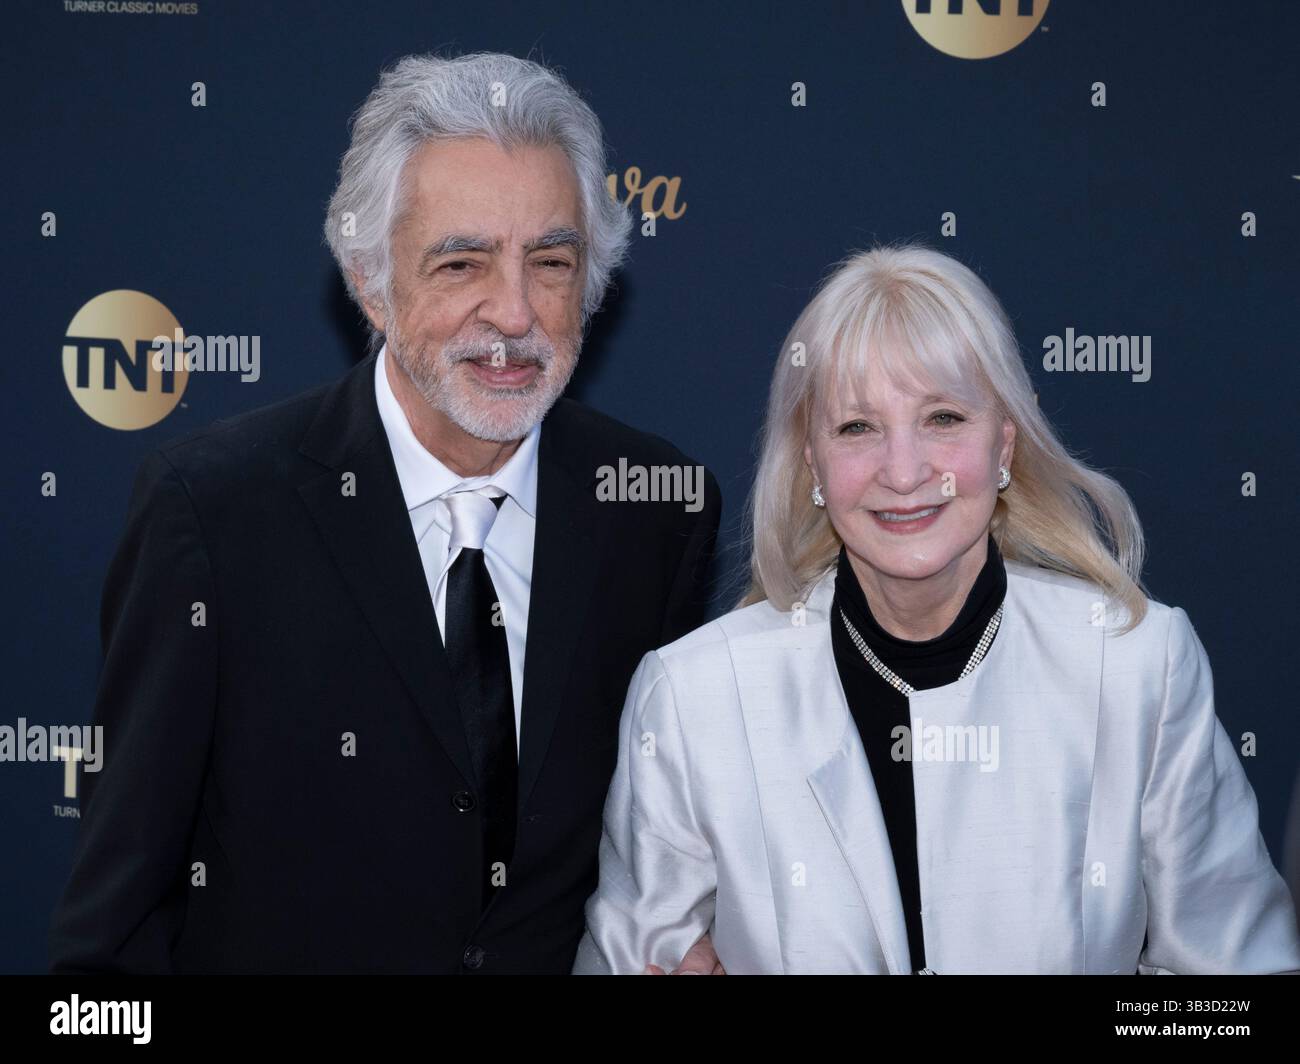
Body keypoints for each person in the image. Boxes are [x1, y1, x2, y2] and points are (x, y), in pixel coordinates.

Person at [49, 51, 722, 974]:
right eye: (462, 262)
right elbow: (112, 932)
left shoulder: (655, 508)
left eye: (552, 262)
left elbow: (660, 858)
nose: (515, 313)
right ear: (371, 281)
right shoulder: (211, 514)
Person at [574, 243, 1300, 974]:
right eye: (858, 427)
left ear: (1004, 445)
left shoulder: (1138, 668)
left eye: (944, 417)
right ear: (811, 463)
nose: (905, 470)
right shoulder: (696, 698)